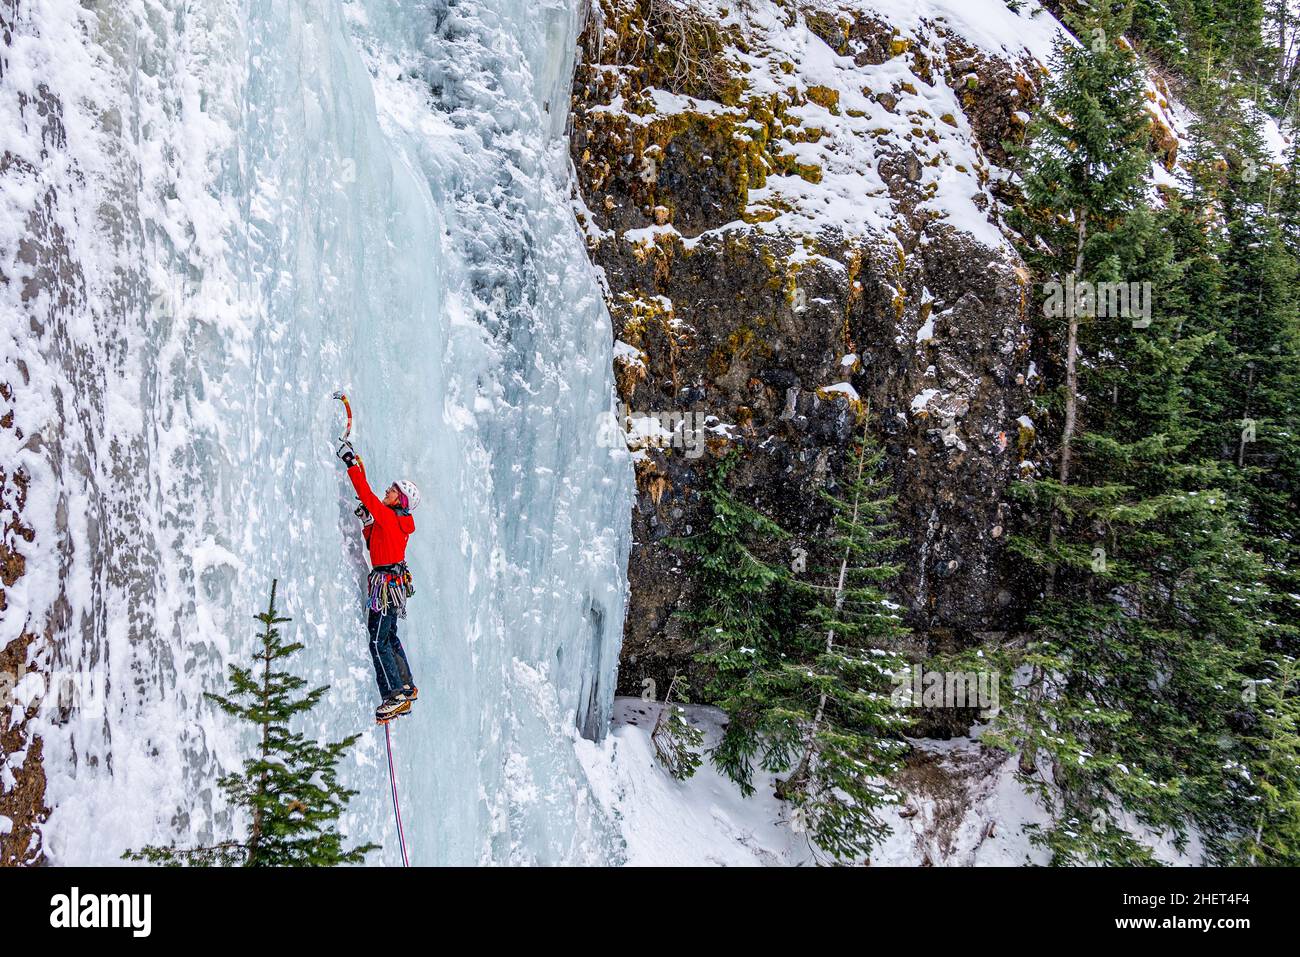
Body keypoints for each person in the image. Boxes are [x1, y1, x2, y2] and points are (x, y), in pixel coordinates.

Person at [336, 439, 421, 722]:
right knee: (389, 635)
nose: (388, 490)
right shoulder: (394, 522)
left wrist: (351, 465)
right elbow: (377, 545)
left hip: (386, 586)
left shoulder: (390, 517)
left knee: (377, 641)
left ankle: (393, 695)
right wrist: (367, 522)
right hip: (391, 584)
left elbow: (367, 495)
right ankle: (406, 686)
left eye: (393, 490)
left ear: (400, 500)